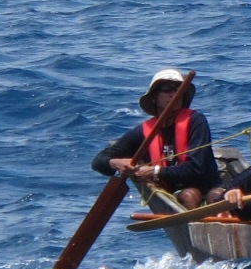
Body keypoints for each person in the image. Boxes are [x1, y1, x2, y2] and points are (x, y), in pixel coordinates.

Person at [91, 69, 221, 210]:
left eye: (178, 89)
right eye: (166, 89)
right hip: (176, 192)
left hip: (207, 186)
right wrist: (116, 163)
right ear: (154, 97)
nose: (173, 94)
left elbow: (196, 168)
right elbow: (98, 161)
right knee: (189, 196)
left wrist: (154, 171)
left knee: (216, 197)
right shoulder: (144, 131)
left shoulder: (197, 121)